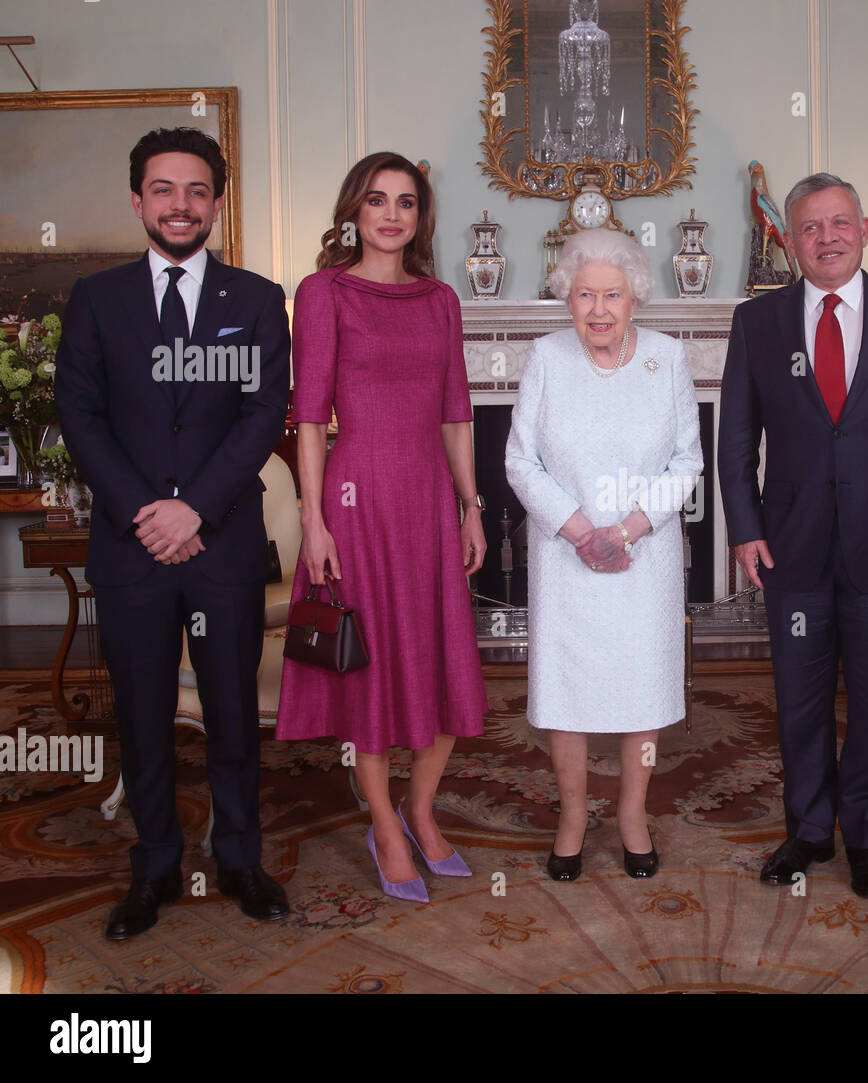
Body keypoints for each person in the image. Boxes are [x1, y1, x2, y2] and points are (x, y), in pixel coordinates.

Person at [55, 127, 292, 938]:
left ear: (217, 205)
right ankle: (155, 865)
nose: (180, 204)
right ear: (138, 201)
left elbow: (265, 412)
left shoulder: (259, 299)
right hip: (132, 548)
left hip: (221, 541)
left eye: (196, 191)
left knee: (231, 712)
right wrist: (146, 512)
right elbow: (79, 416)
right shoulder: (97, 299)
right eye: (164, 189)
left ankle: (239, 857)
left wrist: (196, 508)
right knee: (143, 713)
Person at [718, 173, 868, 898]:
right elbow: (736, 439)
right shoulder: (755, 321)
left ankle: (867, 834)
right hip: (789, 542)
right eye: (810, 228)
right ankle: (808, 829)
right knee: (798, 694)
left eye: (839, 223)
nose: (826, 238)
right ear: (789, 241)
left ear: (864, 228)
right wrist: (744, 528)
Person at [276, 152, 489, 902]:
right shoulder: (324, 291)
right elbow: (307, 417)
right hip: (356, 504)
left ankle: (420, 810)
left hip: (429, 501)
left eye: (405, 201)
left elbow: (456, 412)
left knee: (441, 661)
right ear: (354, 211)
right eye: (377, 199)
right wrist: (315, 520)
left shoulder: (439, 299)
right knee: (367, 673)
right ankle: (385, 825)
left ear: (419, 216)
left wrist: (471, 506)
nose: (392, 213)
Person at [505, 228, 702, 881]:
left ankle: (631, 814)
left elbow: (686, 463)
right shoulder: (546, 357)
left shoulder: (668, 359)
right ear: (566, 296)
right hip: (566, 555)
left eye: (611, 295)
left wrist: (628, 530)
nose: (597, 309)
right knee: (567, 689)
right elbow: (520, 461)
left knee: (639, 689)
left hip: (642, 558)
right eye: (584, 294)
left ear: (634, 297)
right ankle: (570, 816)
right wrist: (580, 527)